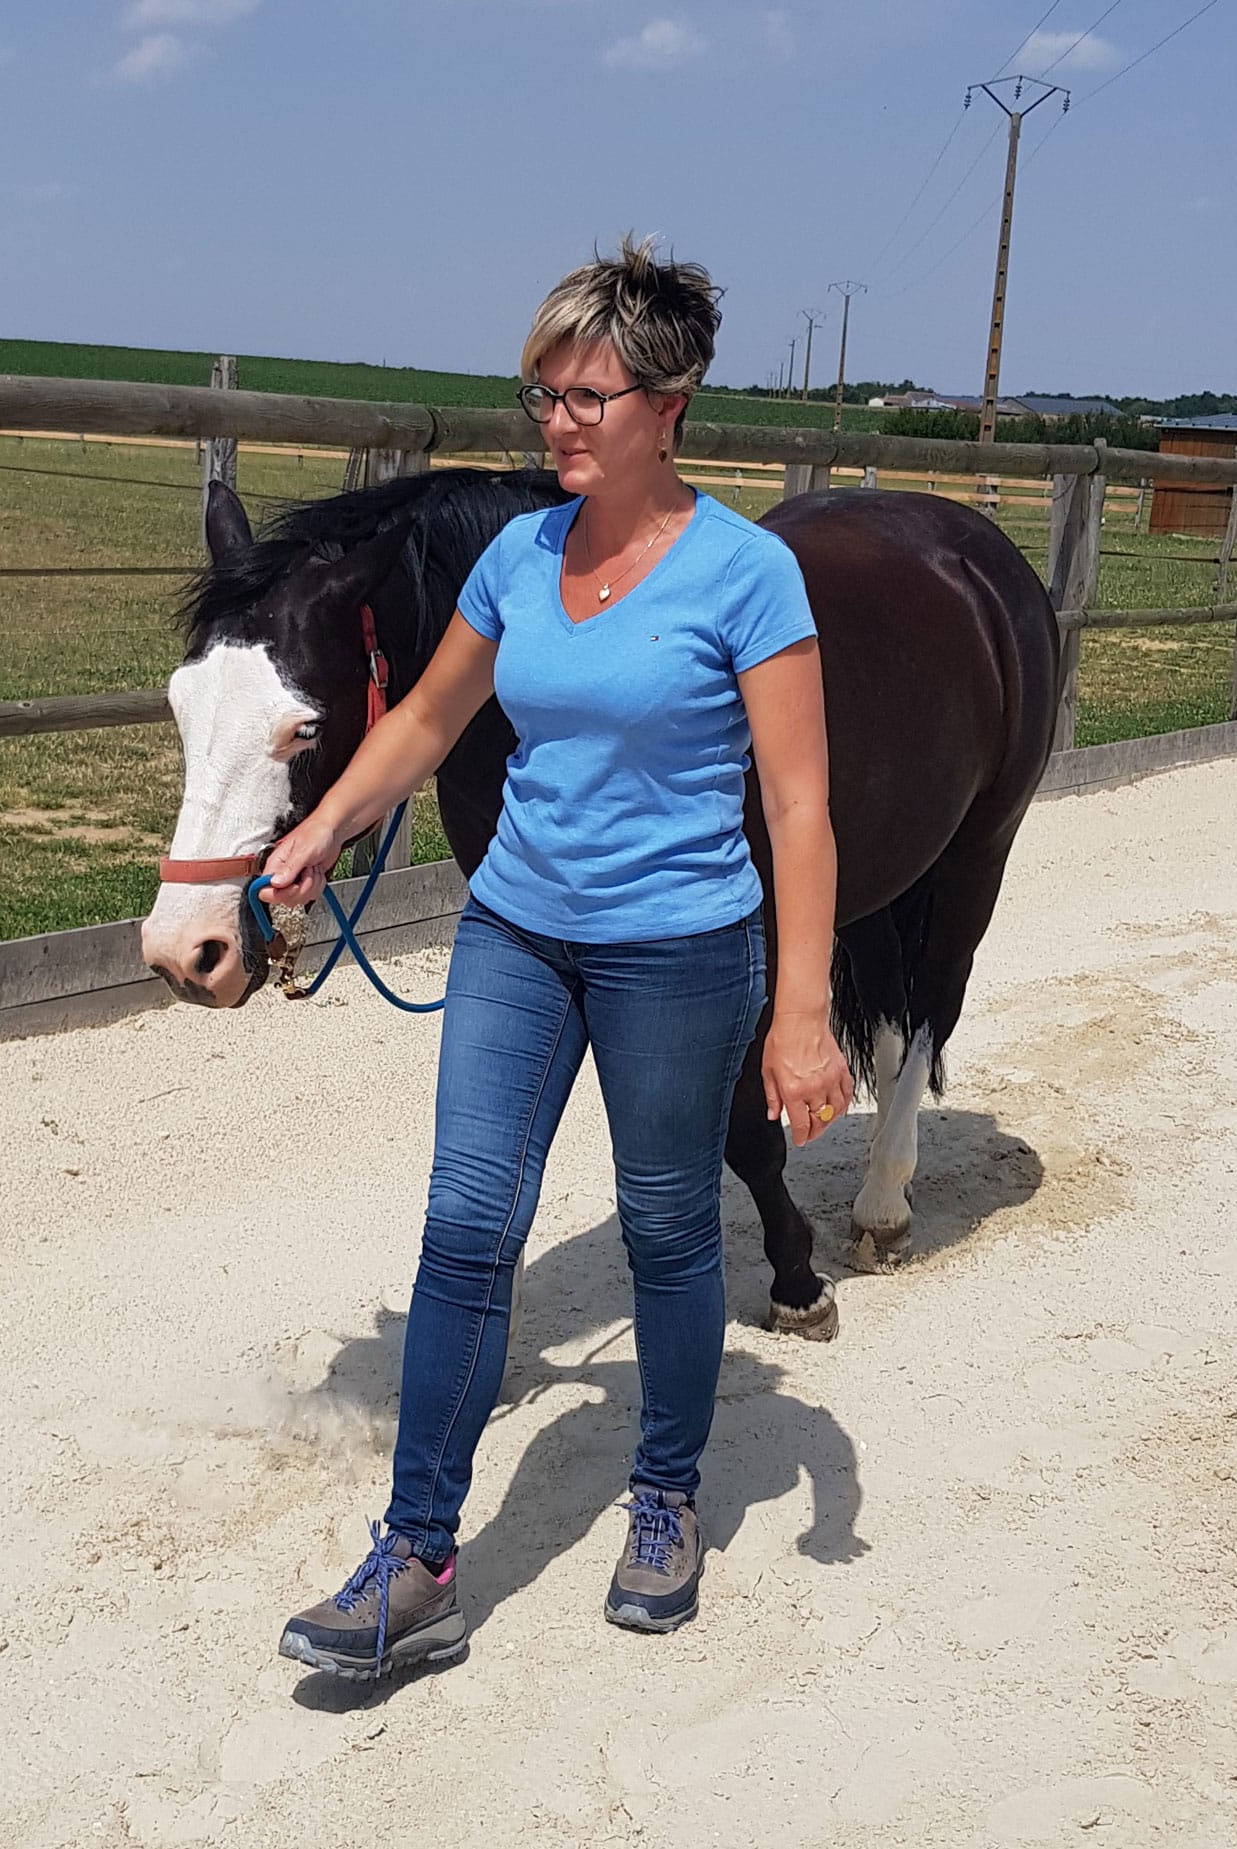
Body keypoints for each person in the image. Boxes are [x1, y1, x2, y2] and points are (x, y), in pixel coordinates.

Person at [262, 237, 853, 1680]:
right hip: (518, 931)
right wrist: (327, 826)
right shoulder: (520, 554)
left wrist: (804, 1010)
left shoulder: (748, 573)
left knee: (664, 1226)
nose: (558, 421)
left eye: (589, 395)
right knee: (468, 1223)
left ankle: (664, 1496)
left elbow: (798, 803)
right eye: (544, 393)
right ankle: (417, 1557)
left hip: (678, 952)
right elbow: (428, 718)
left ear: (671, 402)